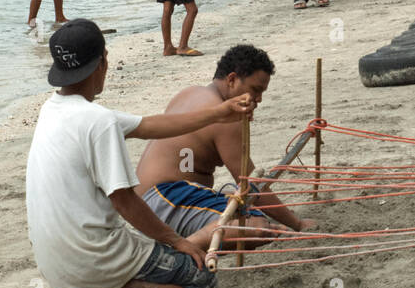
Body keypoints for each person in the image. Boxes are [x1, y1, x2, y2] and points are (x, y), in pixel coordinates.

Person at [26, 19, 256, 288]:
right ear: (102, 62)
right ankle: (115, 281)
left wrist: (219, 112)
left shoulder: (53, 110)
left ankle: (80, 287)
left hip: (55, 263)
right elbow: (125, 201)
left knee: (122, 252)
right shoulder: (99, 122)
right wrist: (176, 240)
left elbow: (150, 126)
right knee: (203, 283)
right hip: (96, 256)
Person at [135, 45, 315, 247]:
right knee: (255, 225)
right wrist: (296, 223)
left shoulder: (189, 92)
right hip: (164, 200)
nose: (259, 99)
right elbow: (248, 185)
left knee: (243, 211)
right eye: (255, 90)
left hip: (143, 202)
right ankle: (183, 249)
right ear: (231, 80)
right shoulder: (225, 118)